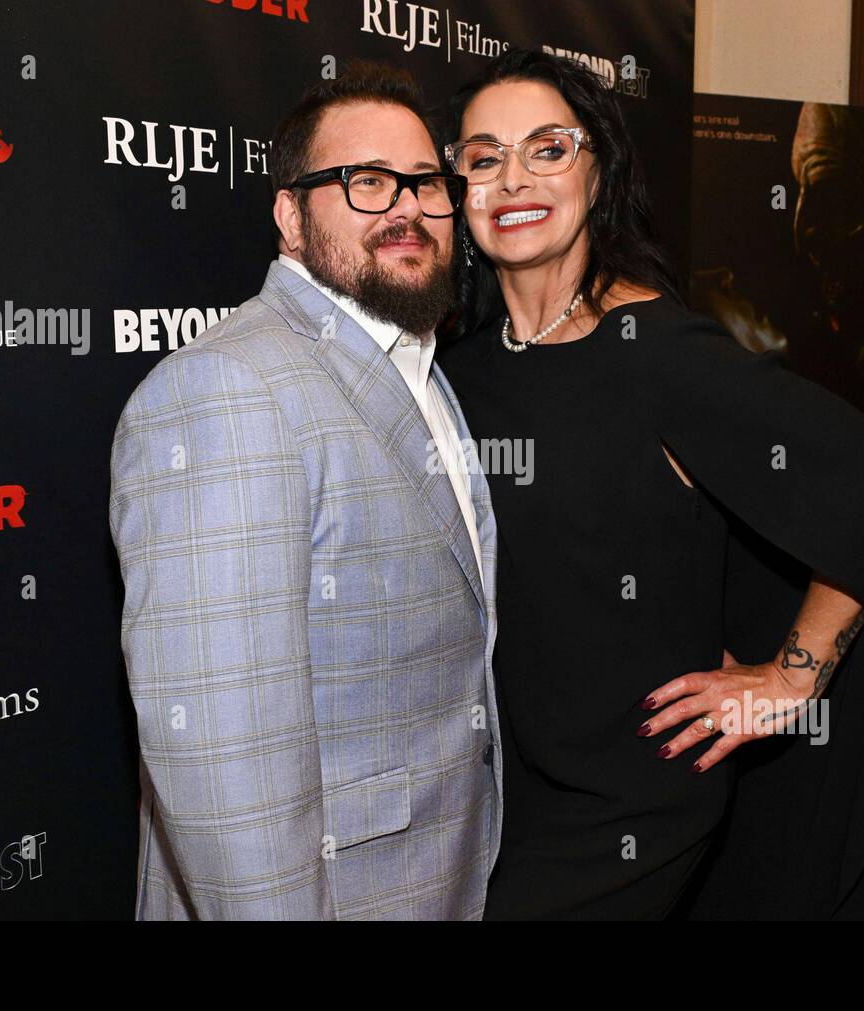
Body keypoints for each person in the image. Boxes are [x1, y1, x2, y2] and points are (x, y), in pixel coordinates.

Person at [437, 48, 864, 920]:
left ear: (599, 171)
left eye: (547, 149)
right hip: (500, 791)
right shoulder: (461, 365)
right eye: (484, 157)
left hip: (631, 802)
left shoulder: (660, 357)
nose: (513, 177)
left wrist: (791, 677)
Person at [109, 61, 501, 920]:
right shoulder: (226, 390)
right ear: (291, 216)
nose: (406, 207)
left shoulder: (415, 365)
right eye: (365, 183)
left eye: (426, 182)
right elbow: (224, 765)